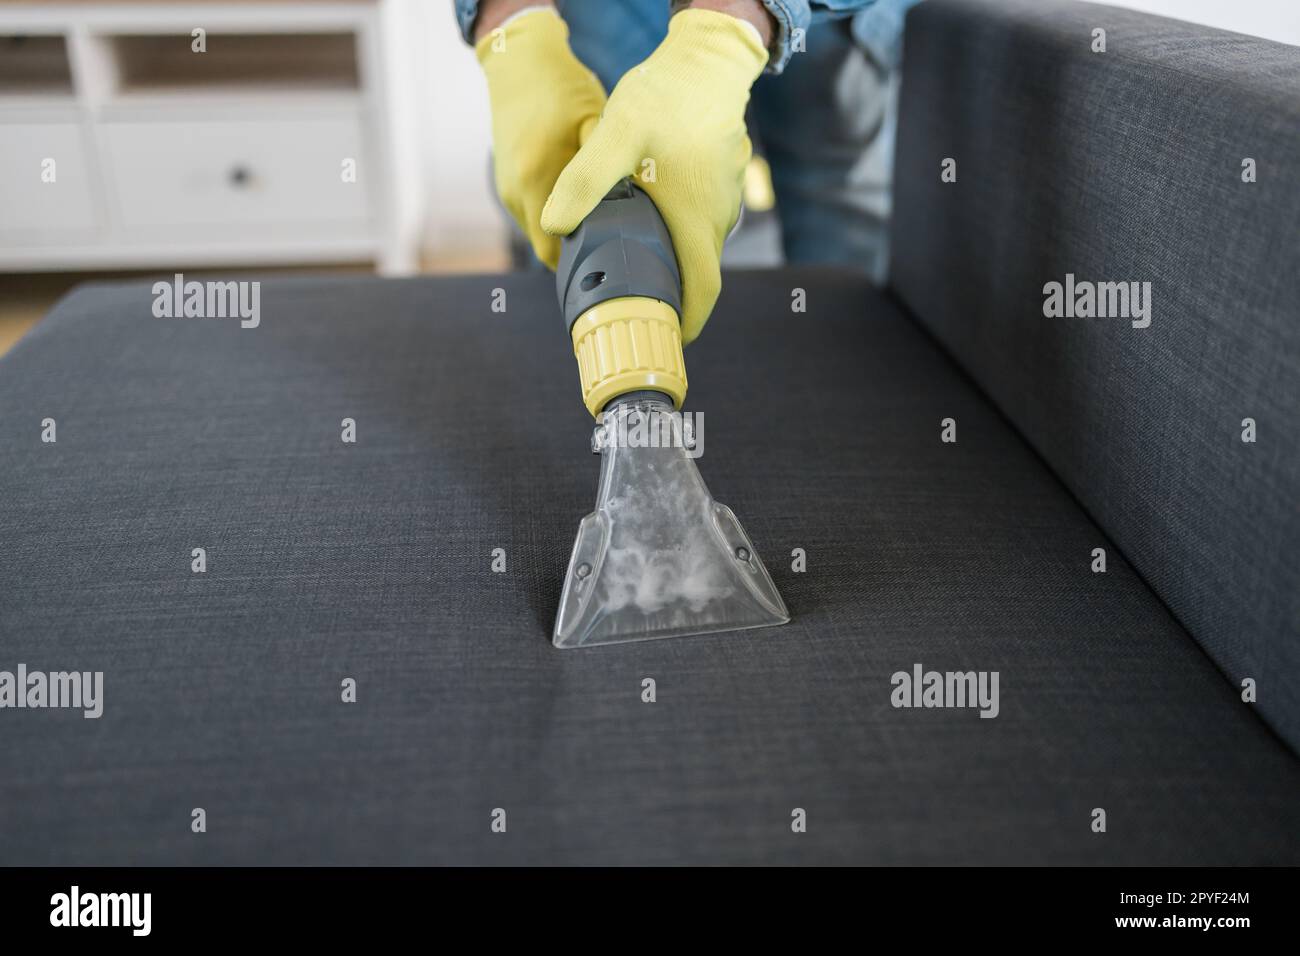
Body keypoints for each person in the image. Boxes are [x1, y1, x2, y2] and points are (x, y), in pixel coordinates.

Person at [455, 0, 920, 345]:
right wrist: (514, 27)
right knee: (597, 202)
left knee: (832, 191)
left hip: (828, 21)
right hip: (609, 10)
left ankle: (832, 403)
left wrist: (724, 30)